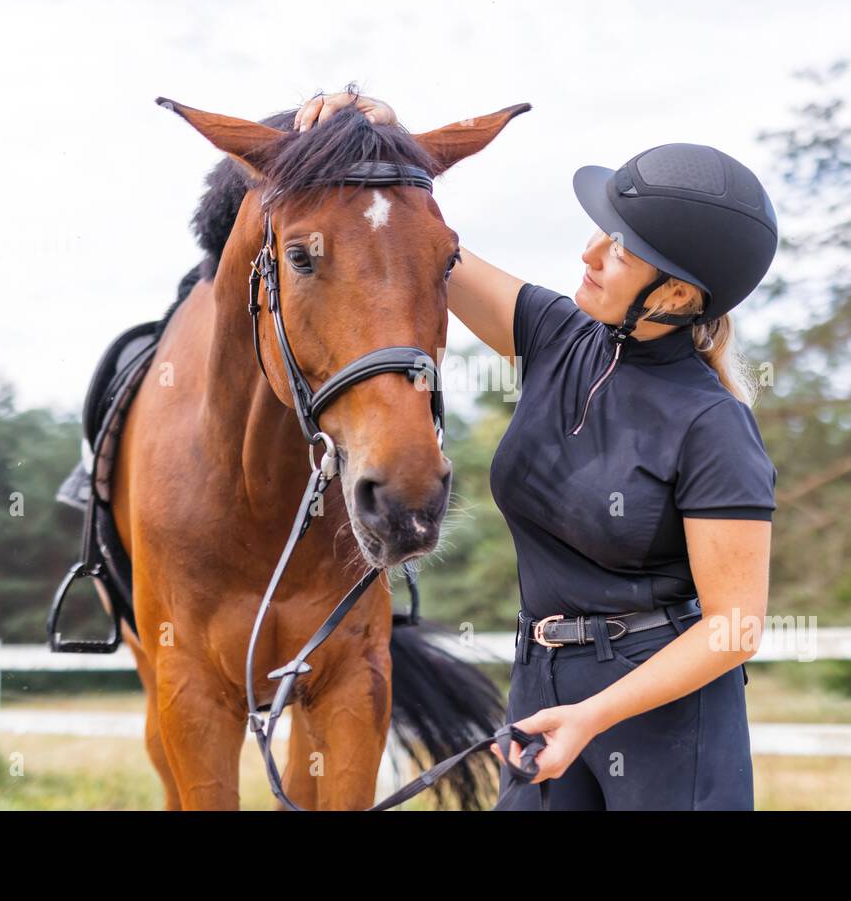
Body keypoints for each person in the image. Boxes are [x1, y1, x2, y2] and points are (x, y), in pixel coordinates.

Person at [295, 91, 779, 810]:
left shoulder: (713, 426)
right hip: (542, 684)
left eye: (620, 248)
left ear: (676, 297)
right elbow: (413, 244)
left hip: (665, 723)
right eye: (600, 229)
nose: (588, 251)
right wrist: (375, 144)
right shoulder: (557, 337)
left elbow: (734, 627)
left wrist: (591, 716)